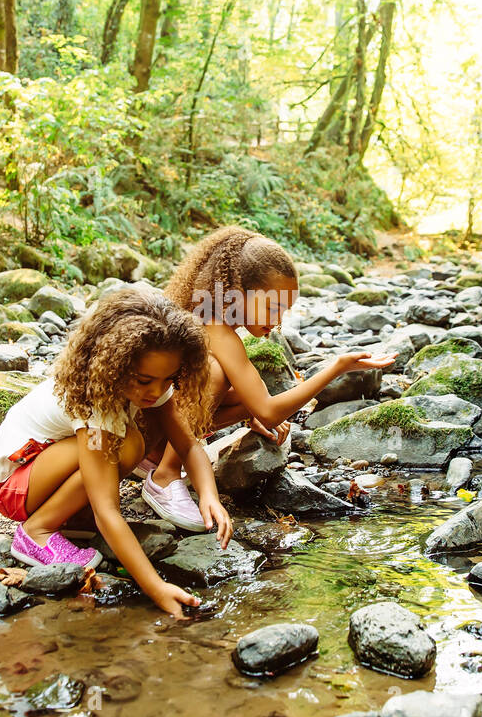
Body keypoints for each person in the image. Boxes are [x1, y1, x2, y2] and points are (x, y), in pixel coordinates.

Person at [0, 286, 231, 617]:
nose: (156, 391)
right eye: (144, 381)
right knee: (122, 448)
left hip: (42, 469)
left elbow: (187, 444)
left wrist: (209, 494)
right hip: (12, 482)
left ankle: (67, 518)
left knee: (130, 444)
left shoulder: (151, 384)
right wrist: (155, 587)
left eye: (169, 379)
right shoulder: (93, 403)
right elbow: (108, 510)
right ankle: (35, 532)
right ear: (115, 364)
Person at [140, 225, 395, 528]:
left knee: (243, 392)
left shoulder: (218, 320)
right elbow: (270, 411)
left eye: (284, 310)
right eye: (273, 307)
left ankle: (159, 461)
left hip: (156, 430)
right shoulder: (212, 326)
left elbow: (261, 406)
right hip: (141, 434)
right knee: (218, 374)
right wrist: (336, 368)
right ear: (237, 294)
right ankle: (164, 475)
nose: (277, 321)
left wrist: (250, 412)